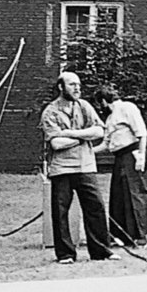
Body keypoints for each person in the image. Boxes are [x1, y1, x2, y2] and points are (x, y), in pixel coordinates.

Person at [40, 72, 120, 264]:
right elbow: (56, 143)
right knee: (61, 212)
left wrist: (70, 133)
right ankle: (65, 254)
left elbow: (99, 131)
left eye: (78, 85)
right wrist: (84, 136)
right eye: (72, 84)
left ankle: (101, 251)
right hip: (61, 169)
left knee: (96, 208)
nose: (77, 88)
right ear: (61, 87)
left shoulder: (84, 106)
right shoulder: (50, 112)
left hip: (86, 166)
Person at [92, 86, 147, 247]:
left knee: (135, 194)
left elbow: (142, 133)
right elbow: (106, 144)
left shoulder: (127, 108)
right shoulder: (110, 118)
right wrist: (87, 151)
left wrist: (141, 156)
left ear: (103, 101)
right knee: (119, 196)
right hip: (119, 158)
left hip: (133, 155)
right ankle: (122, 236)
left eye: (100, 103)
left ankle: (141, 236)